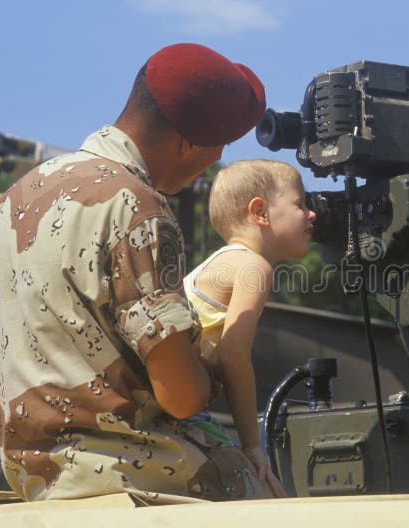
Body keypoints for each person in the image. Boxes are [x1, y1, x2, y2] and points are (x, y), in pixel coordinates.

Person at [0, 43, 268, 502]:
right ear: (187, 141)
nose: (215, 161)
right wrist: (211, 362)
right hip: (137, 477)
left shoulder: (14, 200)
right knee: (265, 487)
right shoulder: (138, 208)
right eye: (220, 146)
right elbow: (180, 397)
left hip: (37, 483)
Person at [183, 159, 315, 499]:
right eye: (300, 204)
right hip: (186, 416)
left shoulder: (221, 261)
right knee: (268, 494)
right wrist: (252, 445)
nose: (312, 214)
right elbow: (233, 355)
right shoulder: (253, 267)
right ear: (260, 212)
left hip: (178, 404)